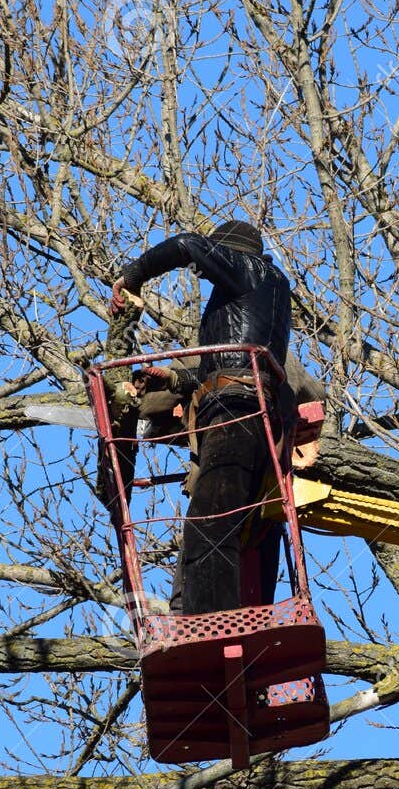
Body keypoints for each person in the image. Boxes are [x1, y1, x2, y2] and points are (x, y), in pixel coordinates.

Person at [110, 220, 293, 616]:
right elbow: (229, 364)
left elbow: (189, 245)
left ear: (230, 253)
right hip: (248, 408)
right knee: (221, 521)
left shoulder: (251, 271)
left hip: (236, 410)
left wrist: (133, 276)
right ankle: (209, 619)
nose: (207, 274)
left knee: (209, 523)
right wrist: (175, 378)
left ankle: (209, 625)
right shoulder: (259, 296)